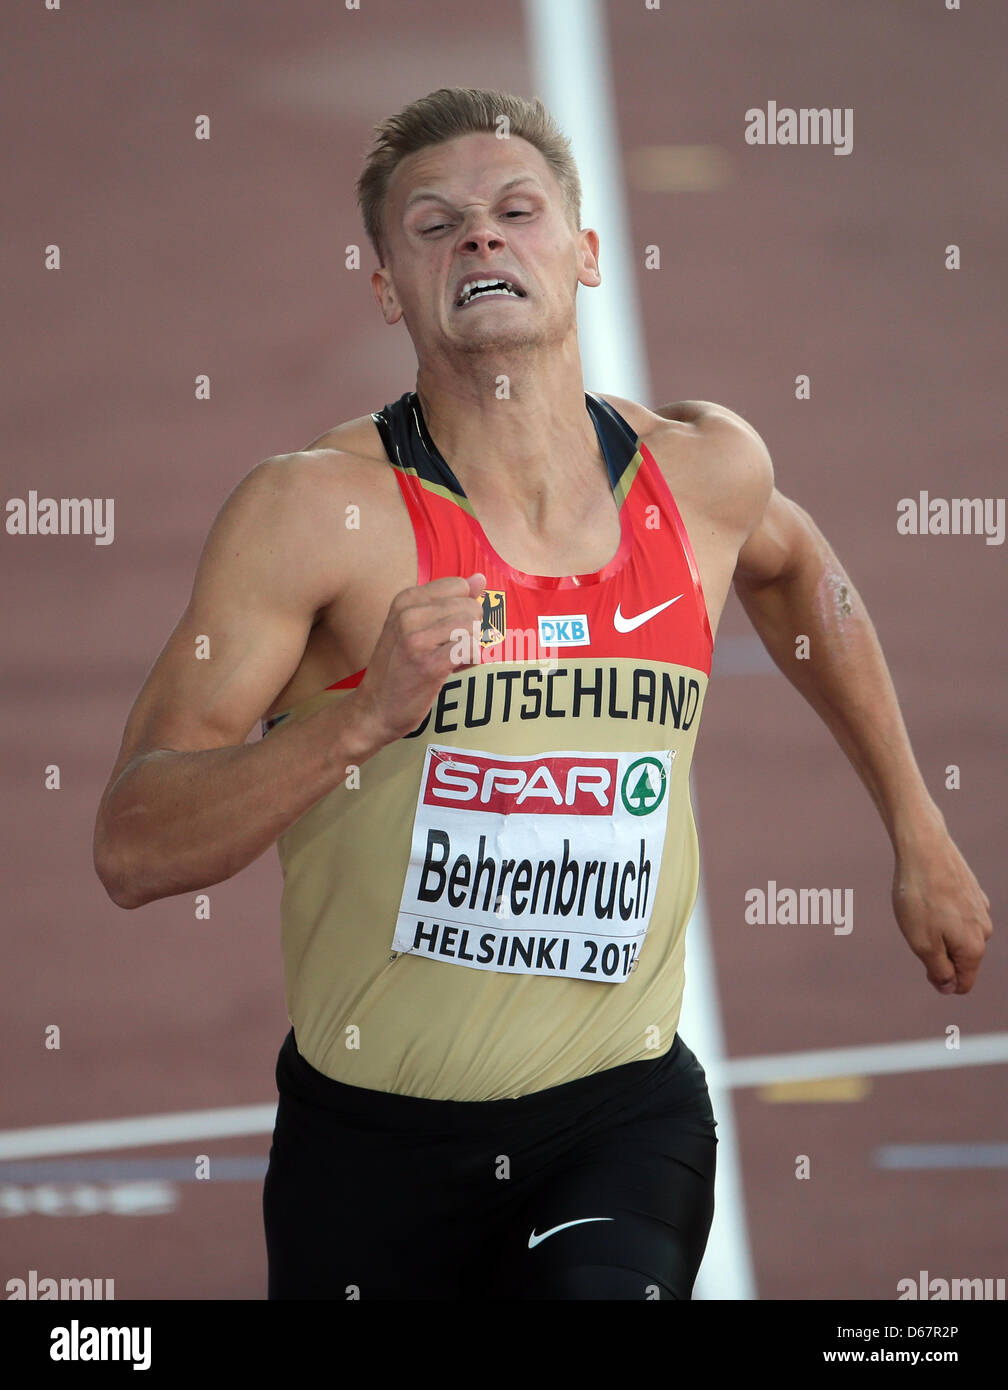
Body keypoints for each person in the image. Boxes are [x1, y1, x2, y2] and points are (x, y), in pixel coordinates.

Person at [93, 88, 992, 1300]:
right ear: (384, 286)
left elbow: (799, 577)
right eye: (436, 224)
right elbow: (134, 843)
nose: (480, 239)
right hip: (369, 1149)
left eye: (516, 211)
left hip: (619, 1122)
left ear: (584, 252)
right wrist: (363, 718)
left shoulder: (702, 474)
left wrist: (916, 824)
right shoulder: (311, 515)